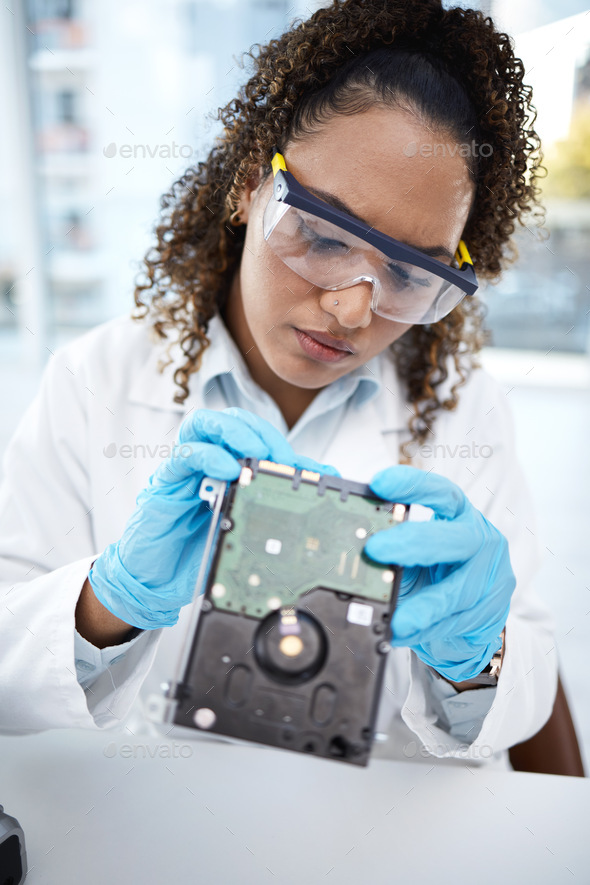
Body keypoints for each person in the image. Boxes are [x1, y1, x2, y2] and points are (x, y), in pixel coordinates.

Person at [0, 0, 557, 765]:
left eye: (411, 272)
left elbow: (527, 692)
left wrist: (479, 656)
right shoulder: (93, 381)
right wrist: (106, 604)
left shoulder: (465, 413)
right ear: (250, 182)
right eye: (325, 236)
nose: (353, 308)